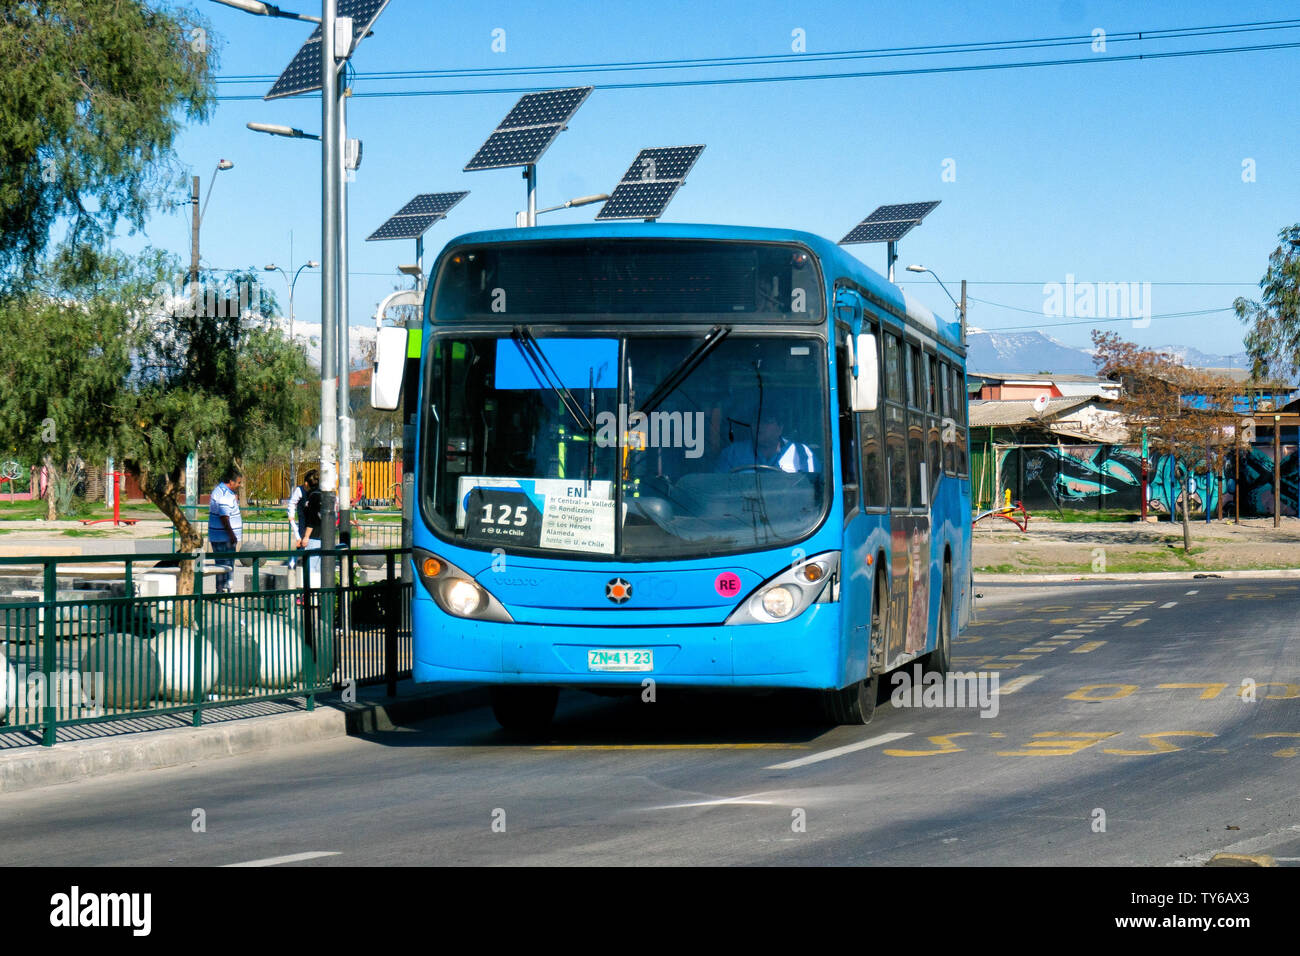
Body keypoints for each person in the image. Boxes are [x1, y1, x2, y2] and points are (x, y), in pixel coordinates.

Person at [716, 411, 817, 473]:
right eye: (756, 421)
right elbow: (719, 491)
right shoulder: (732, 454)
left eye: (767, 421)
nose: (759, 425)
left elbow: (812, 491)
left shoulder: (801, 453)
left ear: (780, 428)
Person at [207, 466, 243, 593]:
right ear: (231, 481)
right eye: (238, 482)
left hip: (220, 535)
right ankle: (225, 589)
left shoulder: (220, 491)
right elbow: (224, 517)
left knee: (222, 564)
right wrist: (231, 534)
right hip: (224, 537)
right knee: (225, 564)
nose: (239, 485)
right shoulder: (224, 494)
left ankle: (222, 588)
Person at [293, 469, 324, 588]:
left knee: (311, 568)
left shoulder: (312, 496)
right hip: (324, 535)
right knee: (320, 567)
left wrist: (305, 536)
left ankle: (309, 594)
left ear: (306, 483)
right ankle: (317, 594)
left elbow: (311, 520)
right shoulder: (324, 493)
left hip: (314, 536)